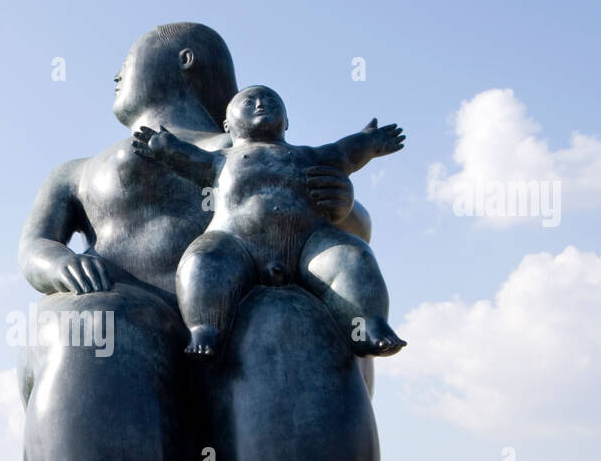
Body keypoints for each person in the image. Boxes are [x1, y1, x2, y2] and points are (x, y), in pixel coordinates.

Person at [19, 23, 380, 461]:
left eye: (124, 65)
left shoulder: (257, 149)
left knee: (290, 321)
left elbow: (344, 219)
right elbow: (34, 246)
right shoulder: (77, 170)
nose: (114, 81)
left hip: (242, 305)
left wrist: (343, 205)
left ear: (186, 61)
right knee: (89, 330)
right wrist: (61, 264)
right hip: (127, 316)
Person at [132, 84, 406, 359]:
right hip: (234, 241)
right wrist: (164, 147)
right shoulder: (221, 160)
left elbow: (343, 151)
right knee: (203, 263)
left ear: (287, 121)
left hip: (310, 242)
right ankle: (205, 328)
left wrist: (369, 142)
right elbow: (188, 157)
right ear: (227, 125)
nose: (262, 104)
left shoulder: (307, 156)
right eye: (250, 101)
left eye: (271, 101)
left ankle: (370, 325)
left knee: (352, 258)